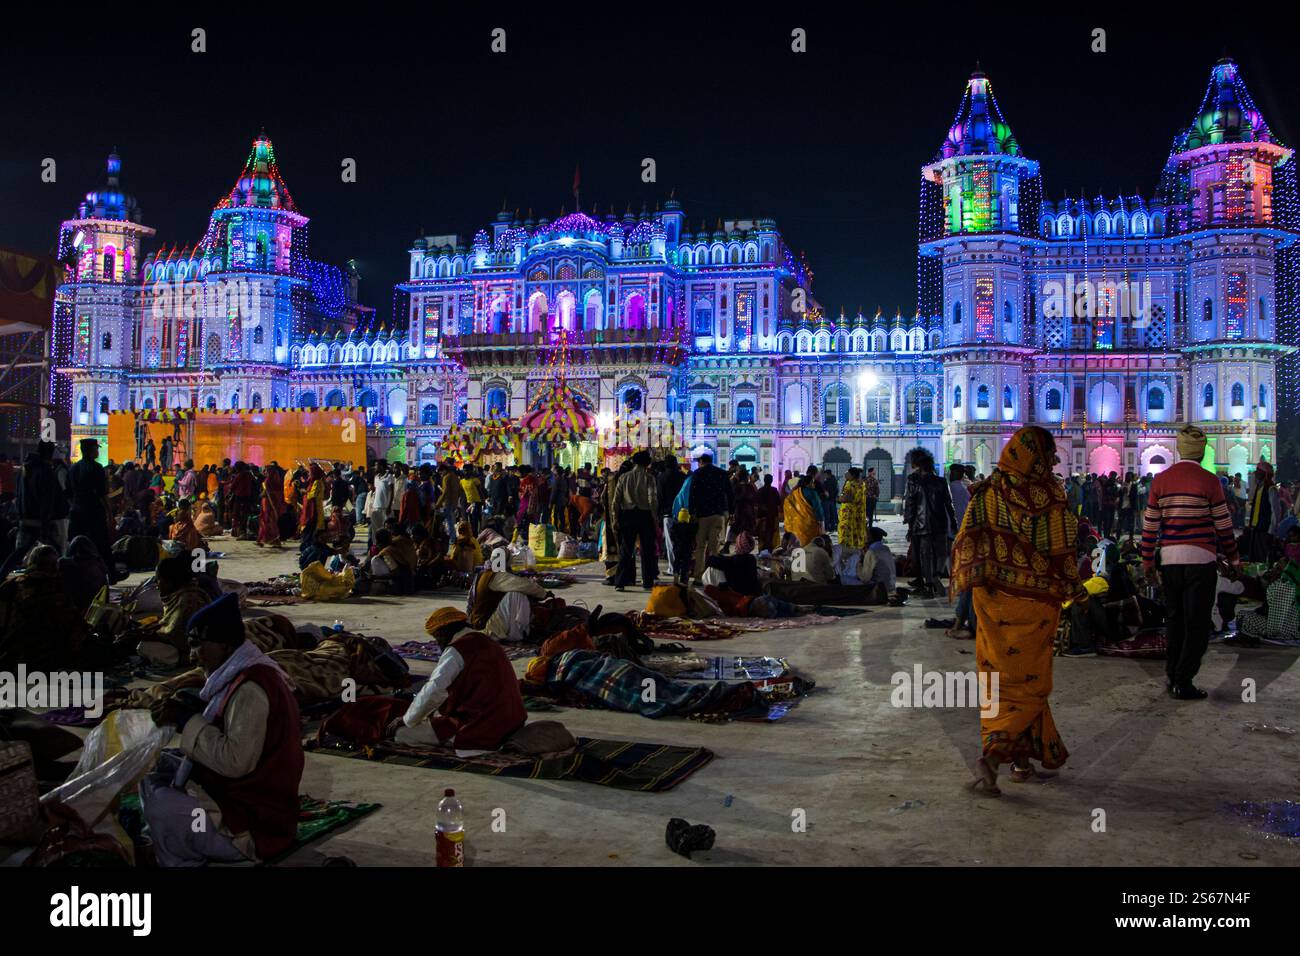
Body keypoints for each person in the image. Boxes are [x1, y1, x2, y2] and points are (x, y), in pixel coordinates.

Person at [951, 426, 1084, 796]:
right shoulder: (1050, 496)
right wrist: (1076, 591)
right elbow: (1062, 550)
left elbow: (967, 540)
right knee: (1029, 682)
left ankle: (1022, 761)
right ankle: (994, 755)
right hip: (1036, 603)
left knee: (999, 677)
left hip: (993, 603)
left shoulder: (987, 492)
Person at [140, 593, 304, 866]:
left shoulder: (252, 688)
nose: (193, 656)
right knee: (155, 770)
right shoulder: (241, 675)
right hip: (244, 801)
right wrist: (190, 712)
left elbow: (235, 762)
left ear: (226, 646)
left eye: (197, 645)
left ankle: (179, 859)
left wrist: (187, 720)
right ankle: (173, 844)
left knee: (163, 807)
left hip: (255, 826)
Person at [1140, 424, 1241, 699]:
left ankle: (1173, 674)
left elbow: (1149, 527)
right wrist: (1233, 558)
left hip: (1170, 560)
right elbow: (1223, 525)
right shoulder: (1210, 481)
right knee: (1197, 624)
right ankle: (1183, 681)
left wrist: (1148, 561)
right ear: (1202, 451)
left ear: (1179, 450)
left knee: (1175, 620)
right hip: (1201, 560)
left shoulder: (1161, 481)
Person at [393, 607, 529, 754]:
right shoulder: (489, 642)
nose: (438, 643)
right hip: (513, 720)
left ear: (444, 632)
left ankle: (451, 743)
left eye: (437, 637)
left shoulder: (456, 650)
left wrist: (407, 719)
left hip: (484, 724)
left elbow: (434, 691)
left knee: (402, 734)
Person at [902, 448, 956, 598]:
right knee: (940, 553)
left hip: (922, 524)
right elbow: (948, 504)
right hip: (940, 524)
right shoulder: (941, 481)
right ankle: (935, 576)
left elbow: (911, 504)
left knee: (924, 555)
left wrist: (909, 524)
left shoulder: (915, 481)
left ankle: (928, 585)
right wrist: (954, 523)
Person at [615, 450, 659, 591]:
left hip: (627, 515)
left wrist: (615, 518)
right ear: (647, 463)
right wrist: (654, 517)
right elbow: (652, 499)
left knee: (626, 549)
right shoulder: (649, 478)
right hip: (645, 516)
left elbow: (616, 500)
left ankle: (620, 582)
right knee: (647, 550)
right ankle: (647, 582)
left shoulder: (624, 477)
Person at [686, 453, 732, 584]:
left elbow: (692, 495)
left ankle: (699, 576)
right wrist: (731, 511)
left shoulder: (697, 474)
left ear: (701, 461)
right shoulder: (721, 474)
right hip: (718, 514)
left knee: (701, 547)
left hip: (702, 515)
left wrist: (692, 512)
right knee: (714, 547)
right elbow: (729, 493)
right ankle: (714, 577)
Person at [67, 438, 112, 568]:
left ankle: (70, 569)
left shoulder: (73, 468)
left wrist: (75, 504)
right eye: (96, 448)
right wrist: (109, 512)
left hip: (77, 511)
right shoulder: (97, 468)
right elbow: (102, 493)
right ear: (91, 450)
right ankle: (111, 572)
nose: (98, 451)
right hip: (94, 511)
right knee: (102, 543)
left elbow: (68, 491)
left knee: (75, 543)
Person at [656, 455, 687, 572]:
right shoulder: (683, 477)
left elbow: (660, 497)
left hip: (667, 513)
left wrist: (658, 514)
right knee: (682, 540)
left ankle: (673, 568)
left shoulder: (662, 478)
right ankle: (682, 566)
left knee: (670, 542)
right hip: (683, 513)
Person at [837, 467, 868, 578]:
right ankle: (857, 554)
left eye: (848, 472)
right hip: (858, 514)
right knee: (857, 533)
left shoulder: (850, 484)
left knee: (846, 534)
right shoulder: (862, 483)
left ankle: (847, 557)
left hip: (849, 514)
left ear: (852, 475)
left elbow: (847, 498)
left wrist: (838, 498)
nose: (845, 474)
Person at [782, 468, 823, 548]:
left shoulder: (795, 492)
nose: (813, 485)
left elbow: (787, 502)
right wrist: (821, 520)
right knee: (810, 543)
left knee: (798, 543)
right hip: (809, 523)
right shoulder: (812, 493)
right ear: (808, 483)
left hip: (798, 523)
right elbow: (818, 508)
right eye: (812, 483)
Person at [257, 461, 286, 547]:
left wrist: (262, 494)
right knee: (266, 520)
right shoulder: (275, 480)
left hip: (269, 504)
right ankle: (264, 539)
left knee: (268, 521)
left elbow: (268, 492)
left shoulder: (269, 480)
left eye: (266, 471)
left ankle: (271, 539)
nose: (264, 472)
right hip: (268, 503)